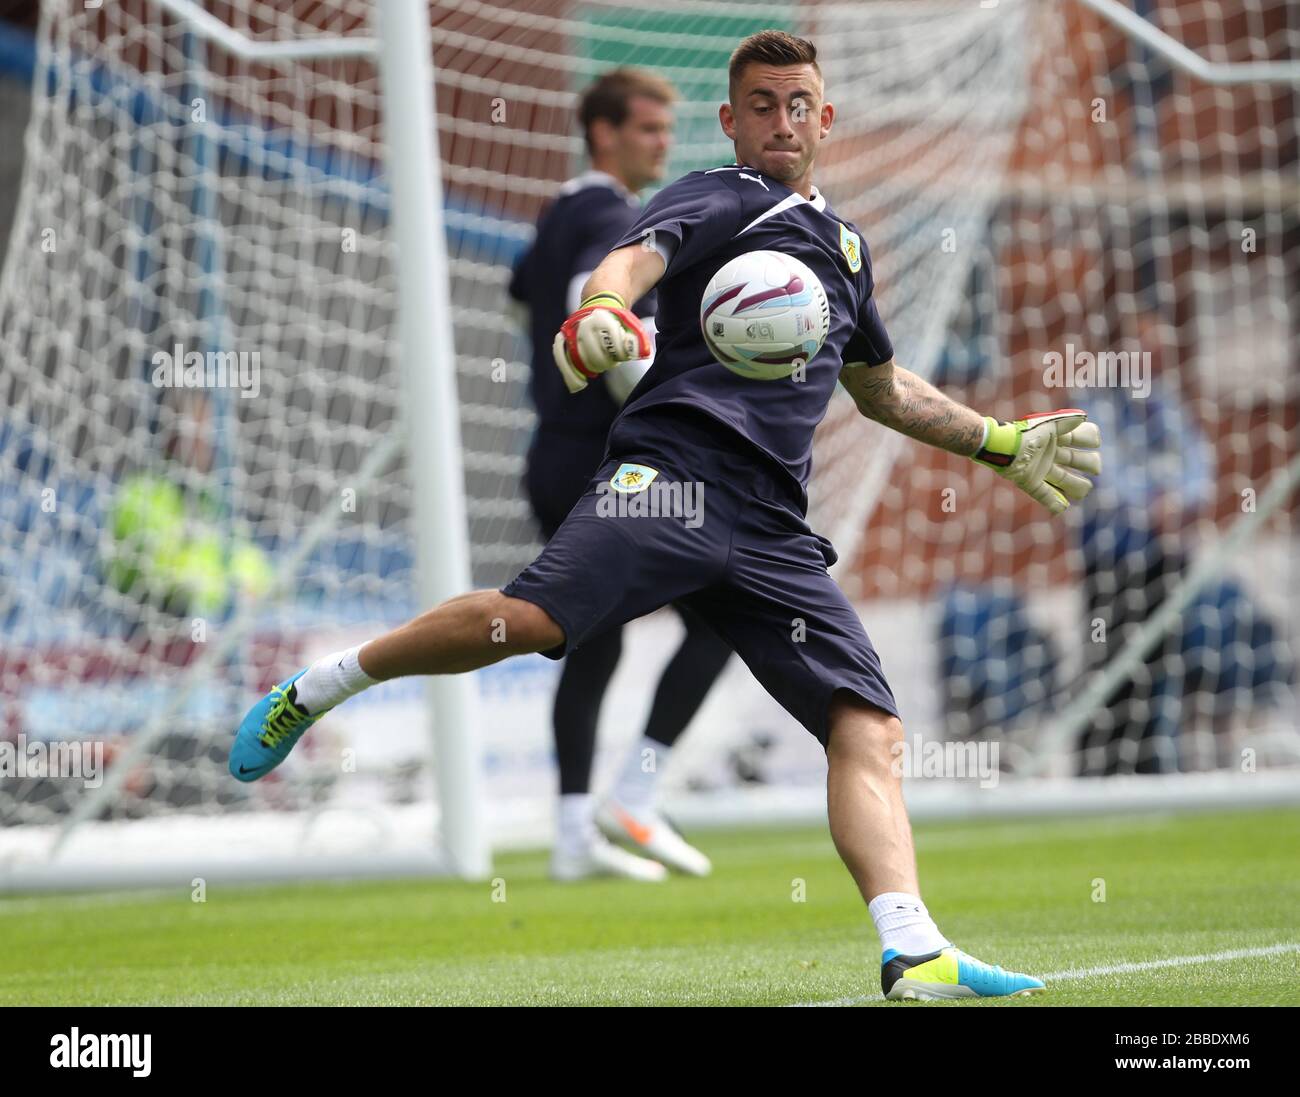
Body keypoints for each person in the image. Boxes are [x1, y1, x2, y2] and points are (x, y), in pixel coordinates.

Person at [231, 29, 1101, 1000]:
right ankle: (320, 684)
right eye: (760, 105)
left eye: (797, 102)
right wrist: (598, 315)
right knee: (525, 623)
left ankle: (911, 947)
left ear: (825, 116)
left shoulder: (845, 251)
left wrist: (1001, 444)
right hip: (672, 484)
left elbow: (885, 392)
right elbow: (628, 266)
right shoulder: (713, 195)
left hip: (772, 527)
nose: (781, 121)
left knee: (867, 723)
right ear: (731, 120)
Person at [507, 68, 732, 882]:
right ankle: (634, 794)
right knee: (726, 613)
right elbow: (591, 310)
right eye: (647, 130)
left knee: (589, 641)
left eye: (667, 131)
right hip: (611, 462)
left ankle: (573, 836)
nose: (663, 144)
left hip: (555, 456)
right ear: (603, 132)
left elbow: (523, 291)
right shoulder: (611, 213)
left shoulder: (559, 210)